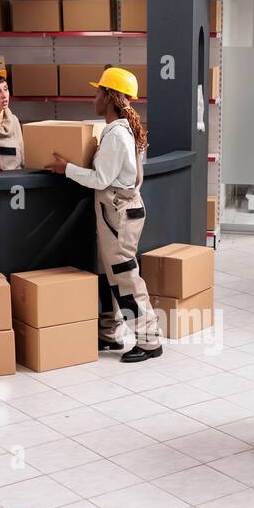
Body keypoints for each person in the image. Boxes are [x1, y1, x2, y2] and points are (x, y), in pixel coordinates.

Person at [45, 66, 162, 363]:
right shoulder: (121, 130)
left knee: (125, 278)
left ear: (109, 96)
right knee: (114, 275)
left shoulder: (115, 135)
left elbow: (100, 179)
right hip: (121, 212)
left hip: (118, 215)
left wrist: (66, 169)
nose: (94, 97)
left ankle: (149, 341)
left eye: (98, 91)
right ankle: (111, 330)